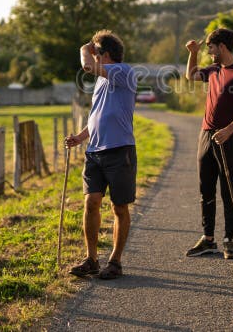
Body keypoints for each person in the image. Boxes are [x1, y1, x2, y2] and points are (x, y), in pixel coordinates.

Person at [64, 30, 137, 280]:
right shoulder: (102, 81)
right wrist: (80, 137)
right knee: (91, 201)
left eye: (97, 52)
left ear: (104, 54)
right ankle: (91, 259)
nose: (93, 56)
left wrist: (86, 47)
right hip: (94, 150)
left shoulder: (123, 71)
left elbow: (86, 64)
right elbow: (97, 115)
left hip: (120, 150)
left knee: (119, 207)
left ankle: (115, 261)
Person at [184, 27, 233, 259]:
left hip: (228, 137)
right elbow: (190, 76)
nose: (209, 53)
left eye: (211, 48)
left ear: (222, 46)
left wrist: (228, 130)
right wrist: (193, 53)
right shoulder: (213, 70)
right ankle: (208, 238)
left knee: (228, 189)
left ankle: (228, 240)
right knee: (206, 188)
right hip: (206, 135)